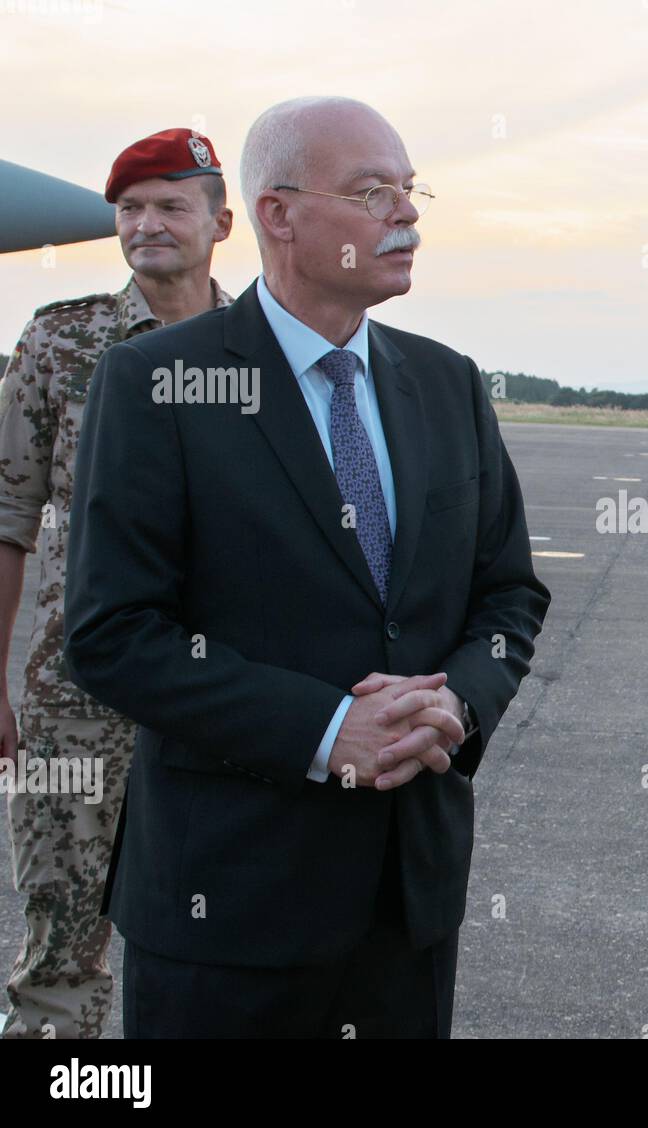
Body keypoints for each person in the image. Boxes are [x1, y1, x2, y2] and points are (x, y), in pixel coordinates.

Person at [63, 96, 550, 1038]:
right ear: (279, 215)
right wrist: (328, 729)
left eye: (411, 192)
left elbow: (508, 593)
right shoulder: (158, 383)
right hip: (227, 909)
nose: (405, 216)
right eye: (374, 192)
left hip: (407, 903)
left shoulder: (448, 383)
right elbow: (112, 634)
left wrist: (458, 699)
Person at [0, 127, 233, 1038]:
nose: (147, 225)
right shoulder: (62, 342)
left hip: (224, 692)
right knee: (61, 937)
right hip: (76, 693)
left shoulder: (264, 352)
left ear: (220, 221)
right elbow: (7, 519)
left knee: (219, 924)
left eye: (171, 206)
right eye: (130, 210)